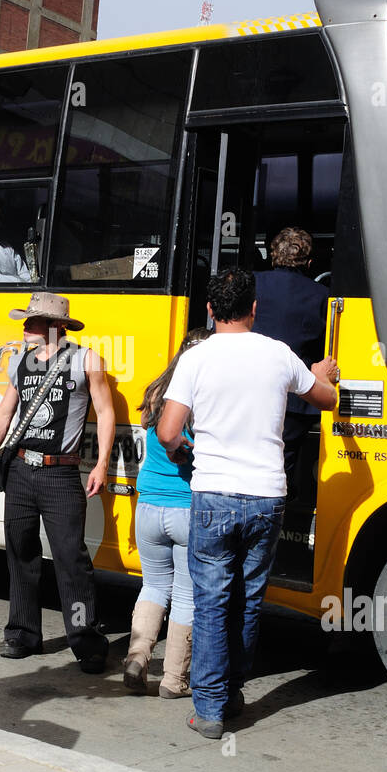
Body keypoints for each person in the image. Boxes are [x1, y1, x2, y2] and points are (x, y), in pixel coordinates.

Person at [157, 269, 338, 739]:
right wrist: (320, 375)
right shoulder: (278, 353)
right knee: (248, 598)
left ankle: (211, 710)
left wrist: (186, 452)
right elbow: (325, 398)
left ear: (210, 310)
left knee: (212, 601)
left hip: (214, 492)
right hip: (267, 496)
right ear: (254, 309)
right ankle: (233, 694)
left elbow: (168, 430)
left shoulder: (196, 358)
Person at [0, 292, 114, 672]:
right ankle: (22, 633)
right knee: (20, 552)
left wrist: (100, 464)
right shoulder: (19, 362)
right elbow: (4, 412)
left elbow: (105, 410)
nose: (24, 326)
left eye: (32, 321)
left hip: (60, 473)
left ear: (56, 326)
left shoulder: (86, 360)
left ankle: (85, 640)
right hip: (19, 470)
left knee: (71, 559)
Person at [125, 327, 211, 697]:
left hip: (148, 506)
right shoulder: (203, 395)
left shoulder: (158, 390)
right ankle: (174, 680)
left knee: (153, 584)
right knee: (187, 595)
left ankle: (137, 658)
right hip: (186, 509)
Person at [253, 227, 330, 510]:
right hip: (297, 400)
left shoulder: (251, 283)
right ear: (310, 263)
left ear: (272, 257)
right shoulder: (323, 296)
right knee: (281, 465)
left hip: (249, 390)